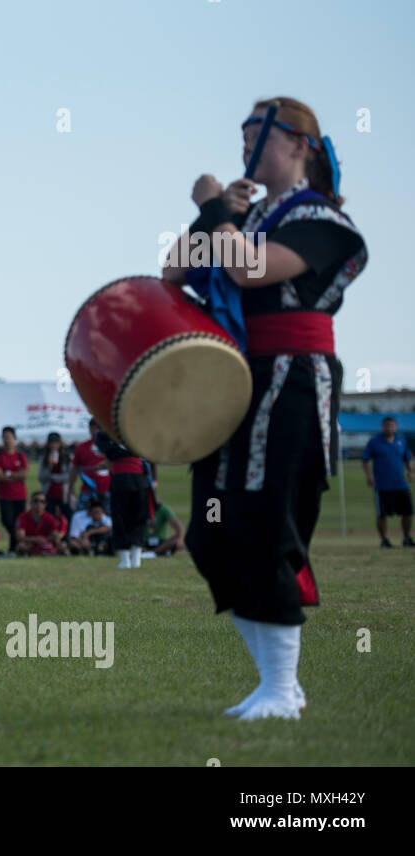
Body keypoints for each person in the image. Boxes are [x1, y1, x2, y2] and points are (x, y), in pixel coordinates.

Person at [164, 96, 367, 721]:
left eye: (258, 135)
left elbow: (251, 271)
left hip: (293, 380)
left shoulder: (321, 219)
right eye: (243, 136)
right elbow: (173, 272)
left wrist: (213, 212)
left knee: (264, 522)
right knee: (213, 532)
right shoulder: (243, 220)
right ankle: (274, 686)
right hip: (233, 379)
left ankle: (283, 690)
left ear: (299, 144)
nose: (246, 147)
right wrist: (215, 215)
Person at [94, 431, 152, 569]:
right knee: (133, 516)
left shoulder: (109, 434)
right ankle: (133, 558)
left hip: (124, 479)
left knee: (123, 517)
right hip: (137, 479)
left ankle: (129, 558)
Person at [360, 416, 413, 548]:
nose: (390, 428)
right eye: (387, 425)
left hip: (400, 483)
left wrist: (410, 471)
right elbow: (364, 460)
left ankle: (407, 538)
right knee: (381, 514)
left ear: (396, 427)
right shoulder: (374, 442)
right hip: (382, 485)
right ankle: (384, 540)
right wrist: (369, 476)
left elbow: (407, 459)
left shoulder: (401, 441)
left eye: (392, 425)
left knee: (408, 512)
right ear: (382, 427)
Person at [0, 426, 28, 554]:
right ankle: (16, 545)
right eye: (5, 437)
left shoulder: (20, 455)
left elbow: (24, 474)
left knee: (19, 522)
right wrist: (14, 475)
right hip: (5, 495)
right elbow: (0, 476)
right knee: (7, 521)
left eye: (9, 437)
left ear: (14, 438)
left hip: (20, 495)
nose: (7, 440)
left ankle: (14, 548)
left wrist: (8, 474)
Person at [69, 419, 112, 511]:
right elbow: (75, 468)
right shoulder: (82, 447)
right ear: (89, 428)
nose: (96, 431)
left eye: (98, 428)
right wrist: (71, 489)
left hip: (108, 489)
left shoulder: (110, 445)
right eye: (93, 427)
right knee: (82, 514)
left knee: (108, 516)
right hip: (87, 490)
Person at [15, 492, 67, 557]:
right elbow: (20, 537)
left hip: (45, 543)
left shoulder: (49, 518)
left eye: (42, 502)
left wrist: (52, 538)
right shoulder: (22, 517)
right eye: (36, 501)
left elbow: (54, 535)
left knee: (62, 545)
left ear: (45, 504)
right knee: (21, 546)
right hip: (29, 544)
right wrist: (36, 539)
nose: (39, 504)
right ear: (31, 503)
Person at [38, 432, 72, 522]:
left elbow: (70, 476)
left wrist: (54, 477)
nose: (54, 445)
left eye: (56, 443)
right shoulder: (44, 459)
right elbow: (41, 478)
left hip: (63, 494)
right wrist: (49, 467)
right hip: (49, 493)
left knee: (66, 518)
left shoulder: (67, 458)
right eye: (51, 443)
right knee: (49, 518)